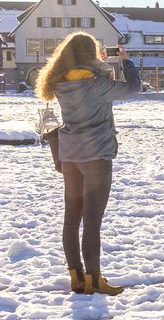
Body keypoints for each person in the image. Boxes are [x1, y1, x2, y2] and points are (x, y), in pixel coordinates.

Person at [35, 32, 141, 296]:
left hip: (69, 156)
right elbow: (132, 88)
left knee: (71, 220)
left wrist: (102, 69)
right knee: (92, 222)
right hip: (96, 156)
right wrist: (125, 63)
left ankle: (76, 277)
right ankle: (95, 280)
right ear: (91, 55)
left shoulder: (59, 82)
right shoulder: (96, 84)